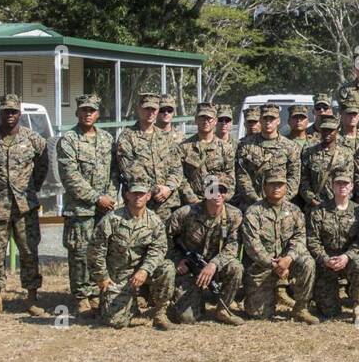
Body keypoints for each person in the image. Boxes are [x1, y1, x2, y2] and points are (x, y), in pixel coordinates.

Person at [0, 93, 49, 318]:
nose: (10, 115)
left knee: (29, 251)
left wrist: (29, 189)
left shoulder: (34, 140)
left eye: (14, 111)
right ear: (0, 112)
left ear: (20, 113)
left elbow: (42, 168)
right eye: (6, 111)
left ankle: (32, 298)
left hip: (26, 206)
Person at [56, 93, 118, 319]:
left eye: (92, 110)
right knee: (80, 254)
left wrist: (110, 196)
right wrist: (96, 198)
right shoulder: (69, 140)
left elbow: (115, 172)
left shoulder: (107, 139)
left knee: (101, 252)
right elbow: (70, 177)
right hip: (81, 210)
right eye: (84, 110)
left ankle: (97, 293)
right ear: (77, 112)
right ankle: (81, 297)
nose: (88, 114)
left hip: (105, 208)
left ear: (98, 113)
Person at [88, 174, 175, 331]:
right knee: (115, 322)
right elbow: (95, 250)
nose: (138, 197)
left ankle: (160, 313)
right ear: (127, 195)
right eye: (134, 193)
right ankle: (129, 308)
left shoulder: (154, 222)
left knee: (167, 267)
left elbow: (159, 249)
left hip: (142, 273)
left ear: (148, 196)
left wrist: (145, 270)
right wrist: (102, 277)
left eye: (142, 194)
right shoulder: (112, 219)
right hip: (119, 275)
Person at [240, 171, 318, 323]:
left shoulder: (295, 211)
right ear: (264, 187)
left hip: (288, 262)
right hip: (262, 266)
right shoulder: (253, 212)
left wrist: (288, 259)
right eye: (272, 184)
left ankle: (301, 308)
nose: (276, 188)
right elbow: (252, 245)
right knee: (258, 314)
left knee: (308, 262)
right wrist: (274, 264)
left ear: (286, 188)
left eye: (280, 184)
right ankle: (272, 293)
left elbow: (300, 237)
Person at [167, 175, 244, 325]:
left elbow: (233, 246)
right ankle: (181, 303)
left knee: (236, 267)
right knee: (187, 319)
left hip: (215, 268)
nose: (217, 194)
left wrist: (214, 264)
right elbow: (165, 240)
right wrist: (177, 260)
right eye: (212, 190)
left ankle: (223, 309)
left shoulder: (234, 215)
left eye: (221, 190)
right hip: (189, 269)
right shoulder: (185, 213)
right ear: (205, 193)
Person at [306, 169, 359, 322]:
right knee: (330, 312)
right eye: (338, 183)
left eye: (346, 183)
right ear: (331, 186)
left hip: (349, 259)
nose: (342, 186)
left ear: (351, 187)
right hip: (326, 261)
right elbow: (312, 240)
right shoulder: (319, 211)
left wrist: (346, 256)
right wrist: (325, 259)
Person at [114, 92, 184, 225]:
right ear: (139, 109)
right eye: (147, 108)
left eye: (154, 109)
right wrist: (156, 190)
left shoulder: (165, 137)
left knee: (166, 244)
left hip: (166, 204)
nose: (151, 112)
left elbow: (177, 168)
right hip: (140, 203)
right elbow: (129, 170)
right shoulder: (127, 137)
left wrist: (168, 188)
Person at [234, 103, 300, 212]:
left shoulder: (290, 147)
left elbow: (294, 177)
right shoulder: (245, 145)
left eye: (272, 119)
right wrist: (256, 199)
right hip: (252, 206)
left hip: (281, 206)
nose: (268, 122)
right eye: (265, 118)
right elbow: (242, 176)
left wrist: (280, 199)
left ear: (278, 121)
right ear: (260, 120)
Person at [180, 102, 235, 203]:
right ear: (196, 120)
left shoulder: (225, 148)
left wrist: (220, 199)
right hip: (192, 203)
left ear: (215, 121)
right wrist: (193, 200)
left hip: (218, 202)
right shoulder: (183, 147)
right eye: (202, 118)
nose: (206, 122)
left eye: (209, 118)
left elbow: (230, 178)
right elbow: (181, 178)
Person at [300, 116, 355, 212]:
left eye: (331, 130)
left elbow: (349, 182)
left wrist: (340, 202)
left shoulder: (345, 155)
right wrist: (311, 199)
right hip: (315, 206)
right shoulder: (309, 153)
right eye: (324, 130)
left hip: (338, 206)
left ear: (337, 131)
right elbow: (303, 180)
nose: (327, 133)